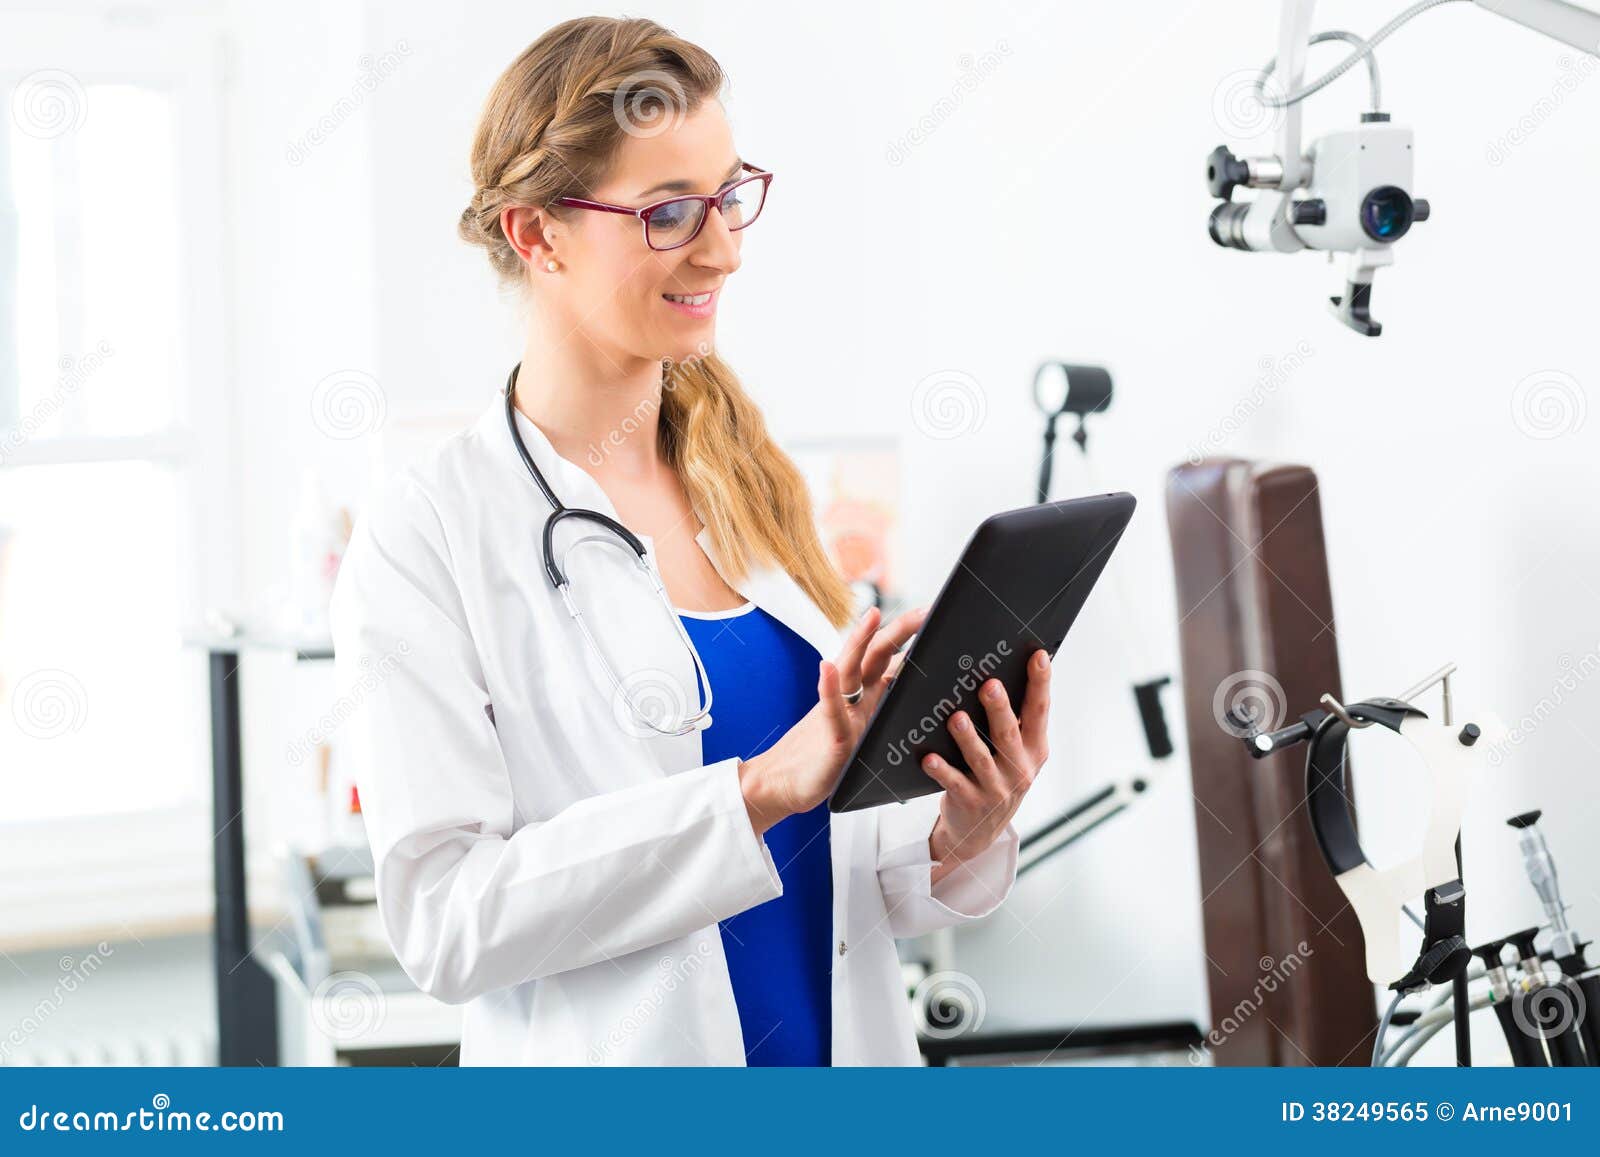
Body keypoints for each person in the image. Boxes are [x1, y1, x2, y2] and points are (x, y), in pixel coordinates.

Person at [330, 15, 1053, 1066]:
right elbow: (447, 920)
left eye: (727, 196)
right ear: (537, 234)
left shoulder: (746, 482)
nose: (723, 247)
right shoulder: (428, 534)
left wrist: (961, 826)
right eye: (669, 213)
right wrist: (758, 786)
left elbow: (835, 865)